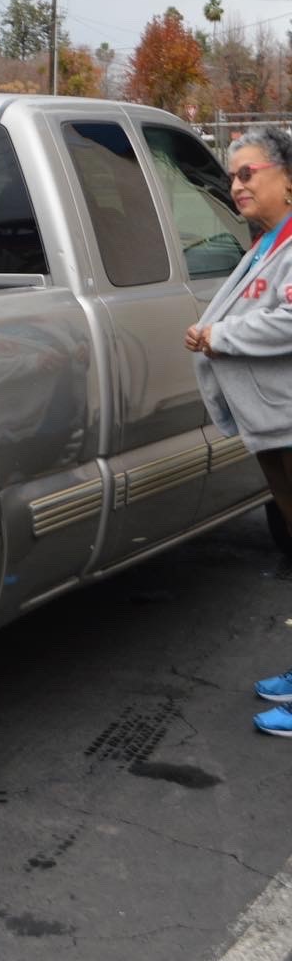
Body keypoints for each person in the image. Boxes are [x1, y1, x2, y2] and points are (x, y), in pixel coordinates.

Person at [183, 125, 292, 737]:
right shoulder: (267, 242)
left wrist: (218, 337)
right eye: (232, 175)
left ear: (287, 178)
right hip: (275, 425)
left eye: (248, 172)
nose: (236, 184)